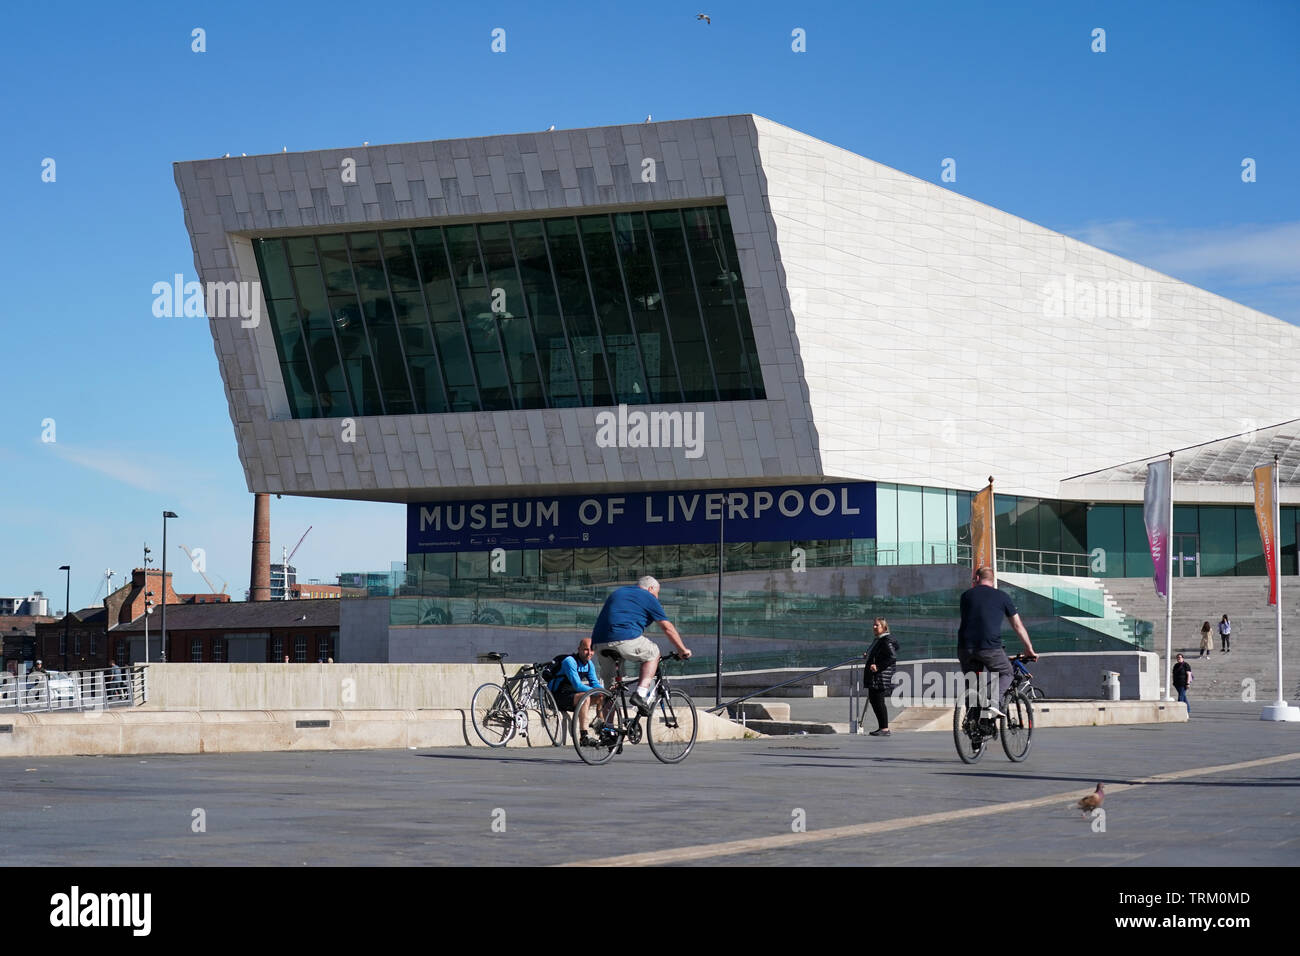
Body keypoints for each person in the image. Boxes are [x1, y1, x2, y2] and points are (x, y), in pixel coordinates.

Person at [590, 576, 691, 712]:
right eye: (657, 593)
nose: (657, 597)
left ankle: (608, 724)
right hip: (623, 638)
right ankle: (640, 694)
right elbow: (667, 627)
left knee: (611, 690)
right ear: (650, 588)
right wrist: (682, 649)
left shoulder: (618, 592)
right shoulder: (648, 596)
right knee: (653, 652)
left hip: (599, 642)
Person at [957, 567, 1037, 715]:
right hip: (989, 647)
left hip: (965, 648)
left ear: (977, 578)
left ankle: (973, 722)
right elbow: (1017, 625)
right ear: (993, 581)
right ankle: (994, 703)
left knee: (973, 684)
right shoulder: (1002, 597)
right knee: (1007, 673)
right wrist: (1029, 649)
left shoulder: (966, 596)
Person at [547, 638, 604, 745]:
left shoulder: (589, 664)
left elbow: (595, 683)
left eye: (592, 650)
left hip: (572, 697)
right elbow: (577, 686)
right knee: (585, 698)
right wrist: (597, 691)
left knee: (601, 697)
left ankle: (602, 730)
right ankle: (584, 736)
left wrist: (604, 692)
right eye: (586, 649)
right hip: (557, 697)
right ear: (579, 649)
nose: (589, 653)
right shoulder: (570, 662)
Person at [863, 617, 899, 736]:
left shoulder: (886, 640)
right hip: (876, 676)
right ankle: (882, 727)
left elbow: (892, 657)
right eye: (873, 625)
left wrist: (878, 666)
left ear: (884, 627)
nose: (874, 627)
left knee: (878, 701)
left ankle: (884, 729)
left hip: (880, 676)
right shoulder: (879, 640)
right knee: (875, 700)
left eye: (877, 625)